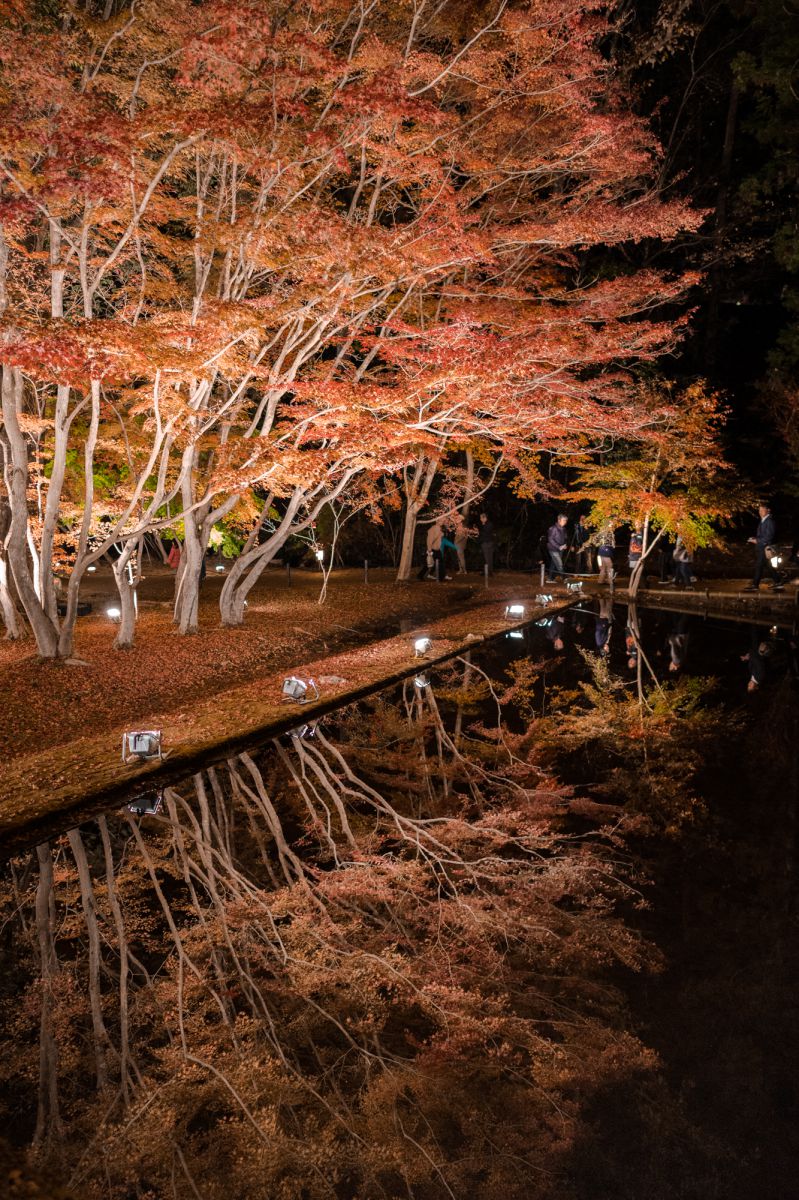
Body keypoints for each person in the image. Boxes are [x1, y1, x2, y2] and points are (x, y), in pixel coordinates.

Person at [744, 503, 783, 592]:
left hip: (764, 548)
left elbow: (769, 536)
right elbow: (763, 535)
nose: (760, 512)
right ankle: (778, 582)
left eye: (762, 510)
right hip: (763, 547)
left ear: (768, 510)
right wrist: (755, 538)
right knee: (768, 565)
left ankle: (755, 585)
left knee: (759, 566)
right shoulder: (764, 520)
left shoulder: (769, 521)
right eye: (759, 510)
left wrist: (757, 541)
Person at [546, 513, 569, 582]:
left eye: (566, 520)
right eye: (564, 520)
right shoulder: (553, 528)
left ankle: (550, 579)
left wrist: (565, 545)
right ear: (559, 520)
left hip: (561, 549)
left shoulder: (563, 529)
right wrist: (559, 547)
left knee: (554, 564)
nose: (565, 522)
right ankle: (565, 578)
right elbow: (550, 540)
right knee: (559, 564)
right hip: (553, 549)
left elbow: (565, 538)